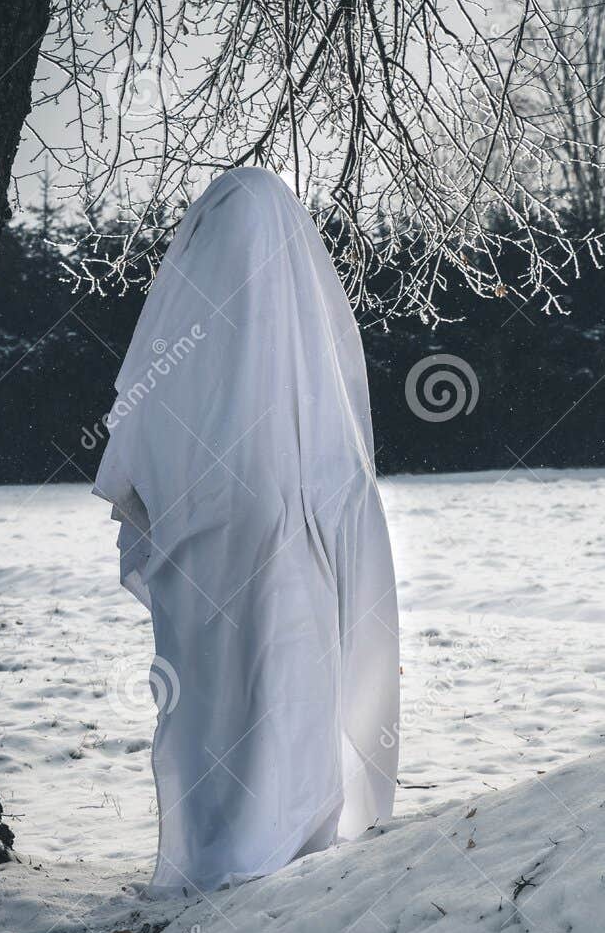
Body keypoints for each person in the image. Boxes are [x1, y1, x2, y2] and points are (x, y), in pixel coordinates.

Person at [93, 166, 400, 893]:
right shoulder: (303, 375)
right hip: (271, 535)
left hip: (214, 538)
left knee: (223, 695)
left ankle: (227, 844)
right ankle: (276, 835)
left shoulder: (197, 357)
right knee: (278, 687)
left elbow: (137, 469)